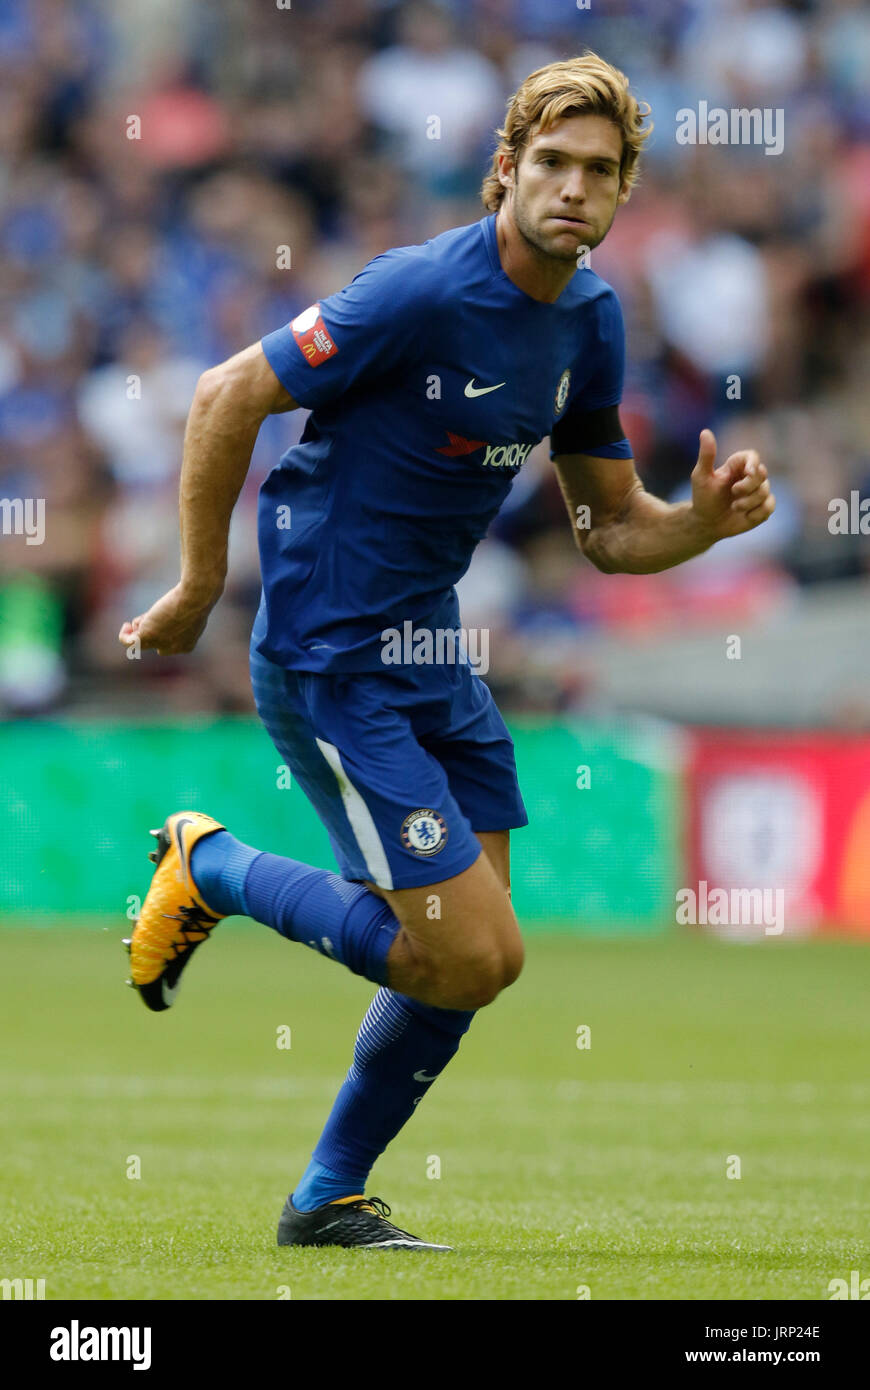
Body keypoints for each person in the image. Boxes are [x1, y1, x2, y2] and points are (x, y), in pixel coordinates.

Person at [118, 53, 775, 1250]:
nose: (574, 187)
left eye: (600, 171)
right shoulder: (418, 291)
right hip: (329, 654)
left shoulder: (589, 319)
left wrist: (704, 522)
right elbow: (224, 394)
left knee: (467, 962)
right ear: (506, 170)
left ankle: (326, 1198)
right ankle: (208, 869)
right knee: (466, 953)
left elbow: (612, 529)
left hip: (432, 654)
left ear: (625, 193)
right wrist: (199, 586)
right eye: (554, 163)